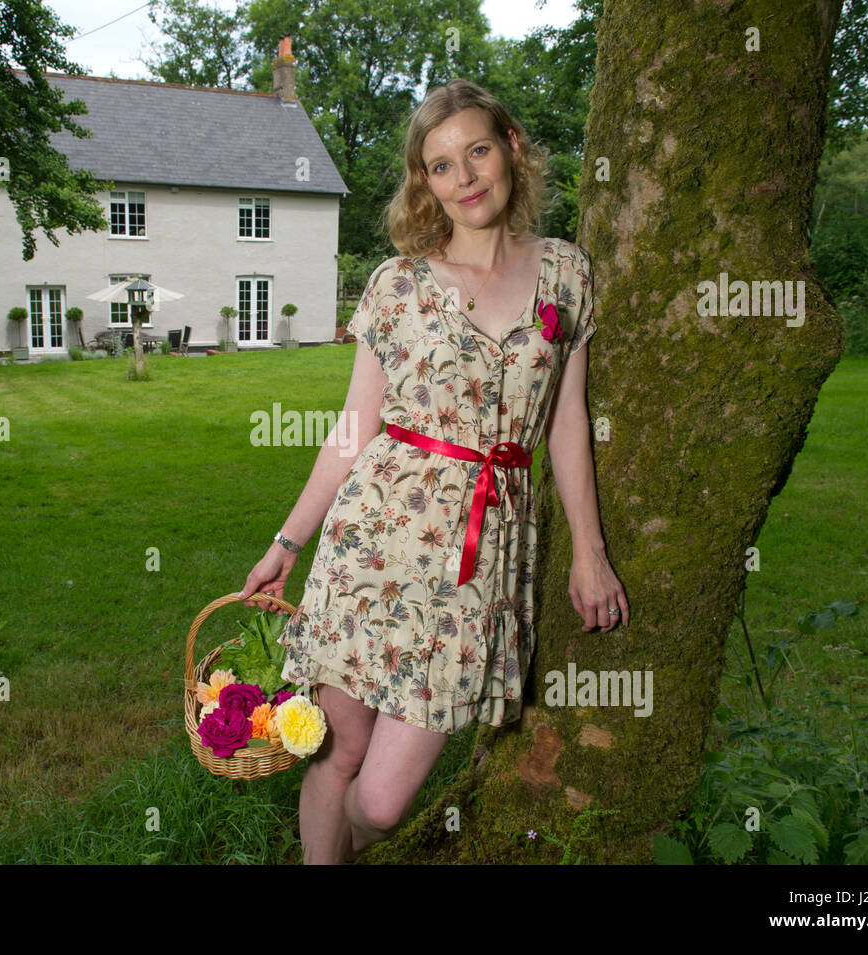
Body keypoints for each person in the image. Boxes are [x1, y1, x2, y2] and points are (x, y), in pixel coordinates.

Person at [238, 78, 629, 865]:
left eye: (477, 150)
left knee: (381, 803)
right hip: (370, 547)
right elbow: (354, 428)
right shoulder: (398, 285)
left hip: (475, 567)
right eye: (441, 165)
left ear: (511, 147)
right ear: (426, 181)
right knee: (335, 754)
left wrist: (589, 549)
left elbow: (565, 422)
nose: (466, 176)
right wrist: (288, 540)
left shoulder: (566, 276)